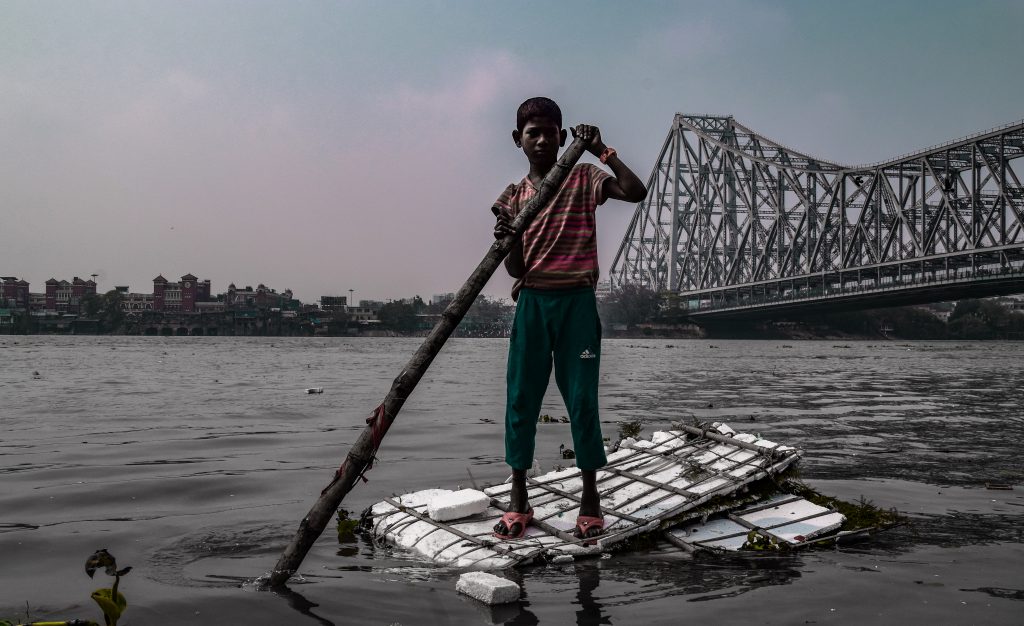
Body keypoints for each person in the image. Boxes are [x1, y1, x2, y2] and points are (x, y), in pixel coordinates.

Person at [490, 97, 646, 542]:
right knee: (521, 400)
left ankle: (590, 501)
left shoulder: (583, 176)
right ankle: (519, 499)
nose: (541, 140)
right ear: (517, 139)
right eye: (532, 132)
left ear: (562, 136)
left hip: (576, 303)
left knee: (581, 400)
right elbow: (517, 270)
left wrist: (602, 150)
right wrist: (509, 236)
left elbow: (635, 191)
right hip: (533, 304)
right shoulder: (513, 196)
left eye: (549, 132)